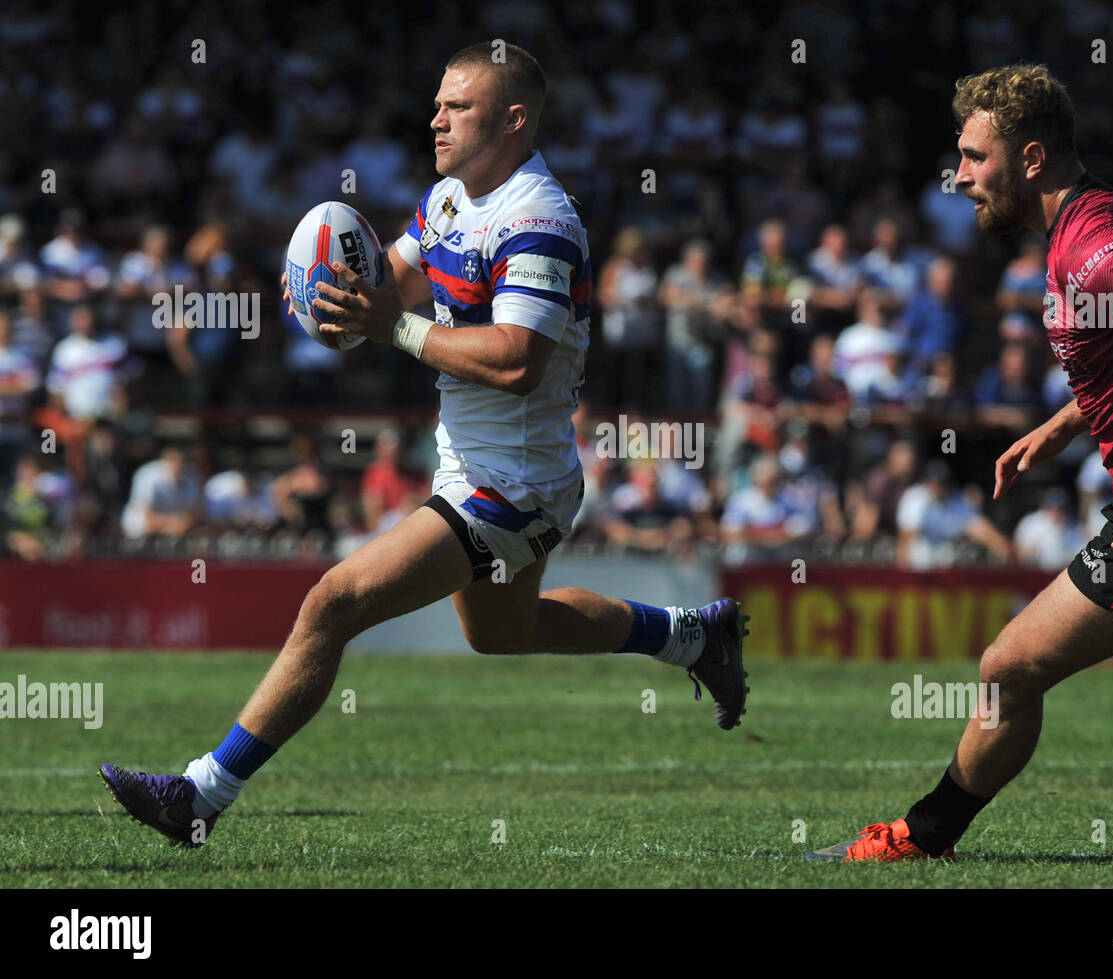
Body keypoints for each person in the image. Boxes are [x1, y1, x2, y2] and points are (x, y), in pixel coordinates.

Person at [100, 42, 749, 848]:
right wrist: (329, 294)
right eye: (437, 103)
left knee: (333, 603)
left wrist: (391, 325)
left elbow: (516, 359)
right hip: (478, 466)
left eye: (458, 106)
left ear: (512, 120)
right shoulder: (448, 200)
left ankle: (198, 795)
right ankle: (695, 635)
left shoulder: (540, 218)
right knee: (502, 632)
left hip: (514, 483)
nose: (435, 118)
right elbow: (394, 286)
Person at [808, 63, 1113, 862]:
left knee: (1007, 667)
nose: (958, 177)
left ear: (1031, 160)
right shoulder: (1111, 212)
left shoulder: (1098, 249)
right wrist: (1072, 420)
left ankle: (919, 838)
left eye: (972, 157)